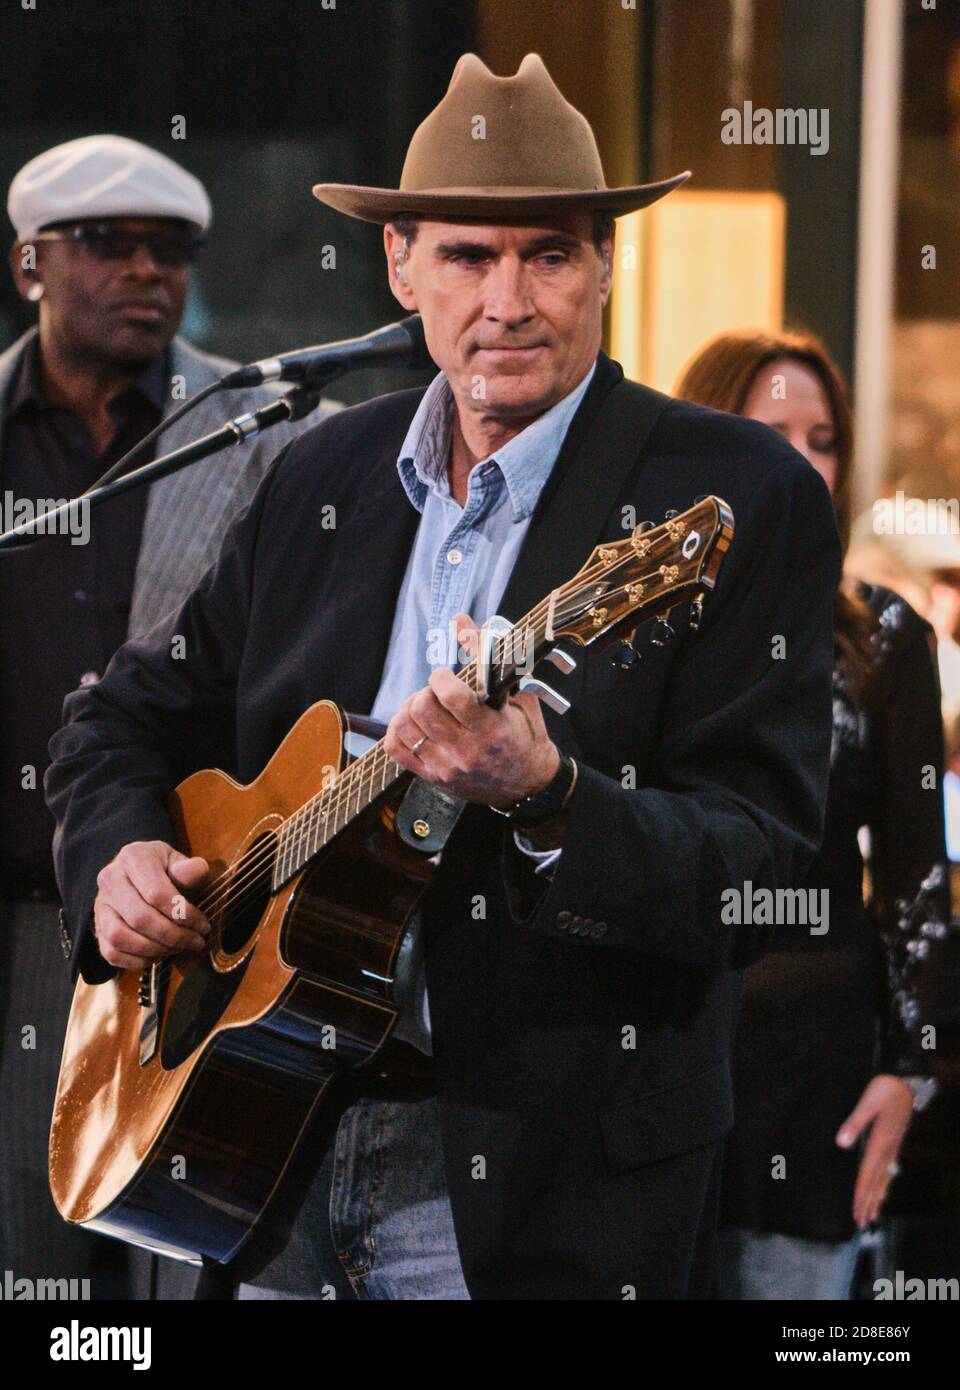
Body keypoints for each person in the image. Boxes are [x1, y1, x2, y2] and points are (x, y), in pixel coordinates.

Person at [46, 56, 840, 1301]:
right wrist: (123, 856)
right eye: (470, 256)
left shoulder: (733, 497)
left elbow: (767, 867)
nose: (510, 302)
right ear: (400, 265)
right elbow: (116, 720)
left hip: (538, 1175)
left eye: (551, 255)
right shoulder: (319, 474)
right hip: (265, 1146)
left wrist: (549, 797)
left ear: (609, 267)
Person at [0, 134, 339, 1298]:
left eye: (170, 249)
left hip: (187, 932)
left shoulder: (258, 427)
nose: (145, 271)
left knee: (172, 1274)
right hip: (19, 915)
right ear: (29, 264)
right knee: (29, 1275)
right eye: (108, 244)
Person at [675, 327, 949, 1299]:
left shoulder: (882, 634)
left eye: (823, 436)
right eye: (773, 428)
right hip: (659, 1052)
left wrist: (911, 1069)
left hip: (815, 1073)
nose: (803, 456)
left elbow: (919, 884)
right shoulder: (638, 625)